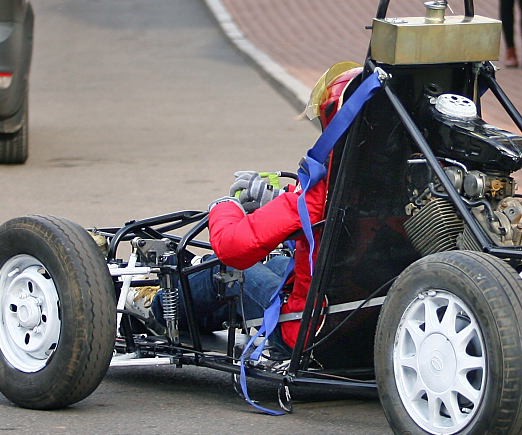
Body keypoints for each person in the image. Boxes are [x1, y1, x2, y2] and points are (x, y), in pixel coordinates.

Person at [127, 66, 361, 353]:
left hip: (308, 333)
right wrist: (277, 198)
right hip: (370, 323)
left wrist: (225, 207)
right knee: (275, 264)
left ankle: (158, 305)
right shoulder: (404, 185)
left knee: (230, 269)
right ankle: (201, 315)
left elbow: (233, 247)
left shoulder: (320, 194)